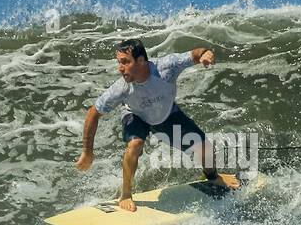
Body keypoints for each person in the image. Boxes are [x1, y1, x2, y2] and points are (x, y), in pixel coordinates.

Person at [76, 38, 220, 211]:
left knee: (206, 149)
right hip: (136, 115)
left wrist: (205, 53)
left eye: (125, 62)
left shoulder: (166, 68)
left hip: (165, 114)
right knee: (135, 144)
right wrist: (87, 152)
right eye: (119, 62)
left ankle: (211, 177)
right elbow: (93, 113)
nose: (120, 68)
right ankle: (126, 194)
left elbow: (195, 54)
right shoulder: (121, 88)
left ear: (141, 61)